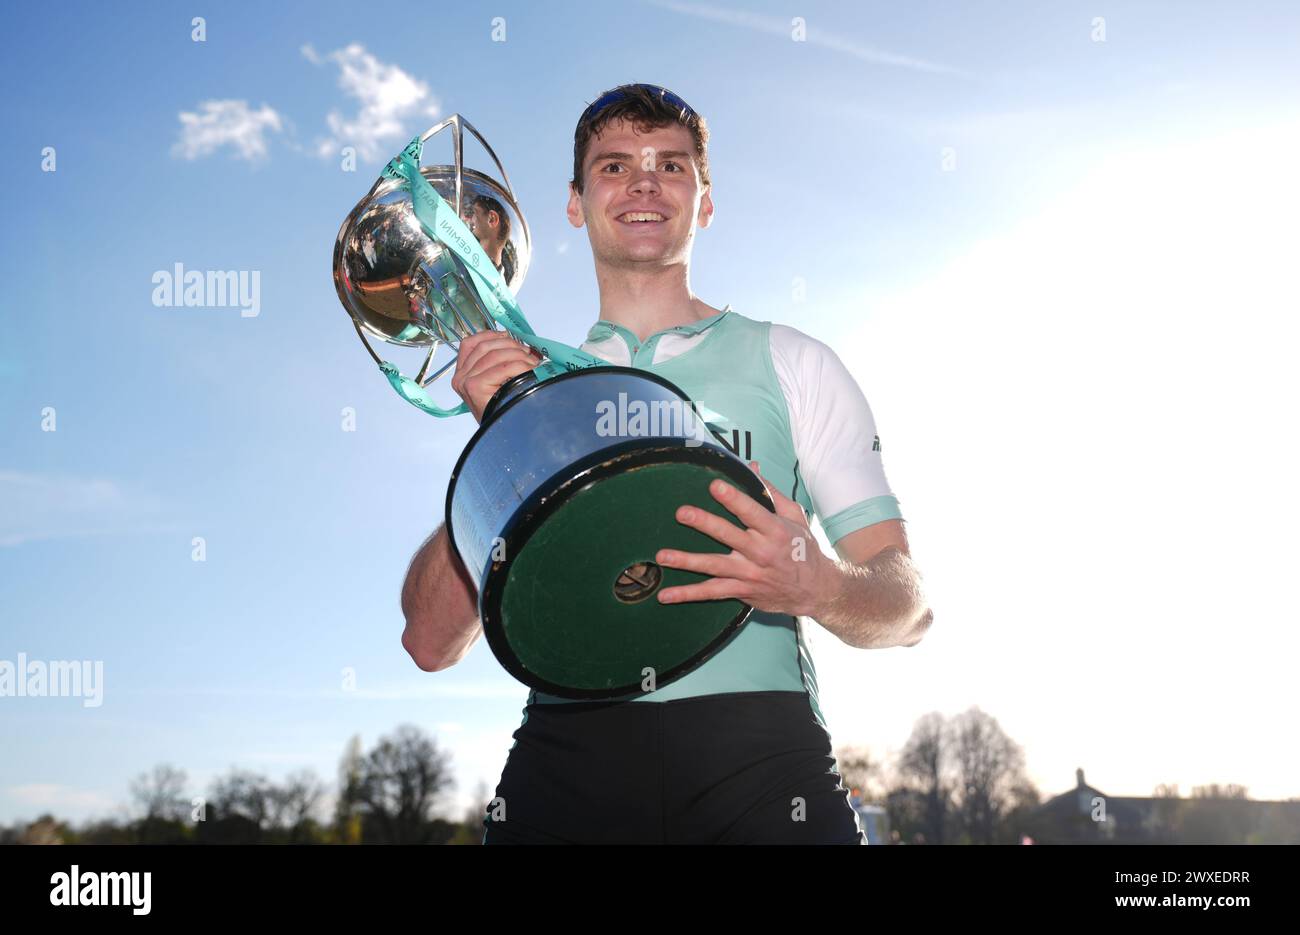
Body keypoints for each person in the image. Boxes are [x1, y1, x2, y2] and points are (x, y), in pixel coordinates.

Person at [400, 84, 934, 844]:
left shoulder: (793, 362)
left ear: (705, 201)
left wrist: (822, 582)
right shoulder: (530, 385)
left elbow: (909, 608)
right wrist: (507, 435)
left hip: (762, 758)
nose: (644, 182)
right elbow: (429, 641)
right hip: (569, 756)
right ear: (576, 204)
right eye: (614, 166)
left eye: (671, 166)